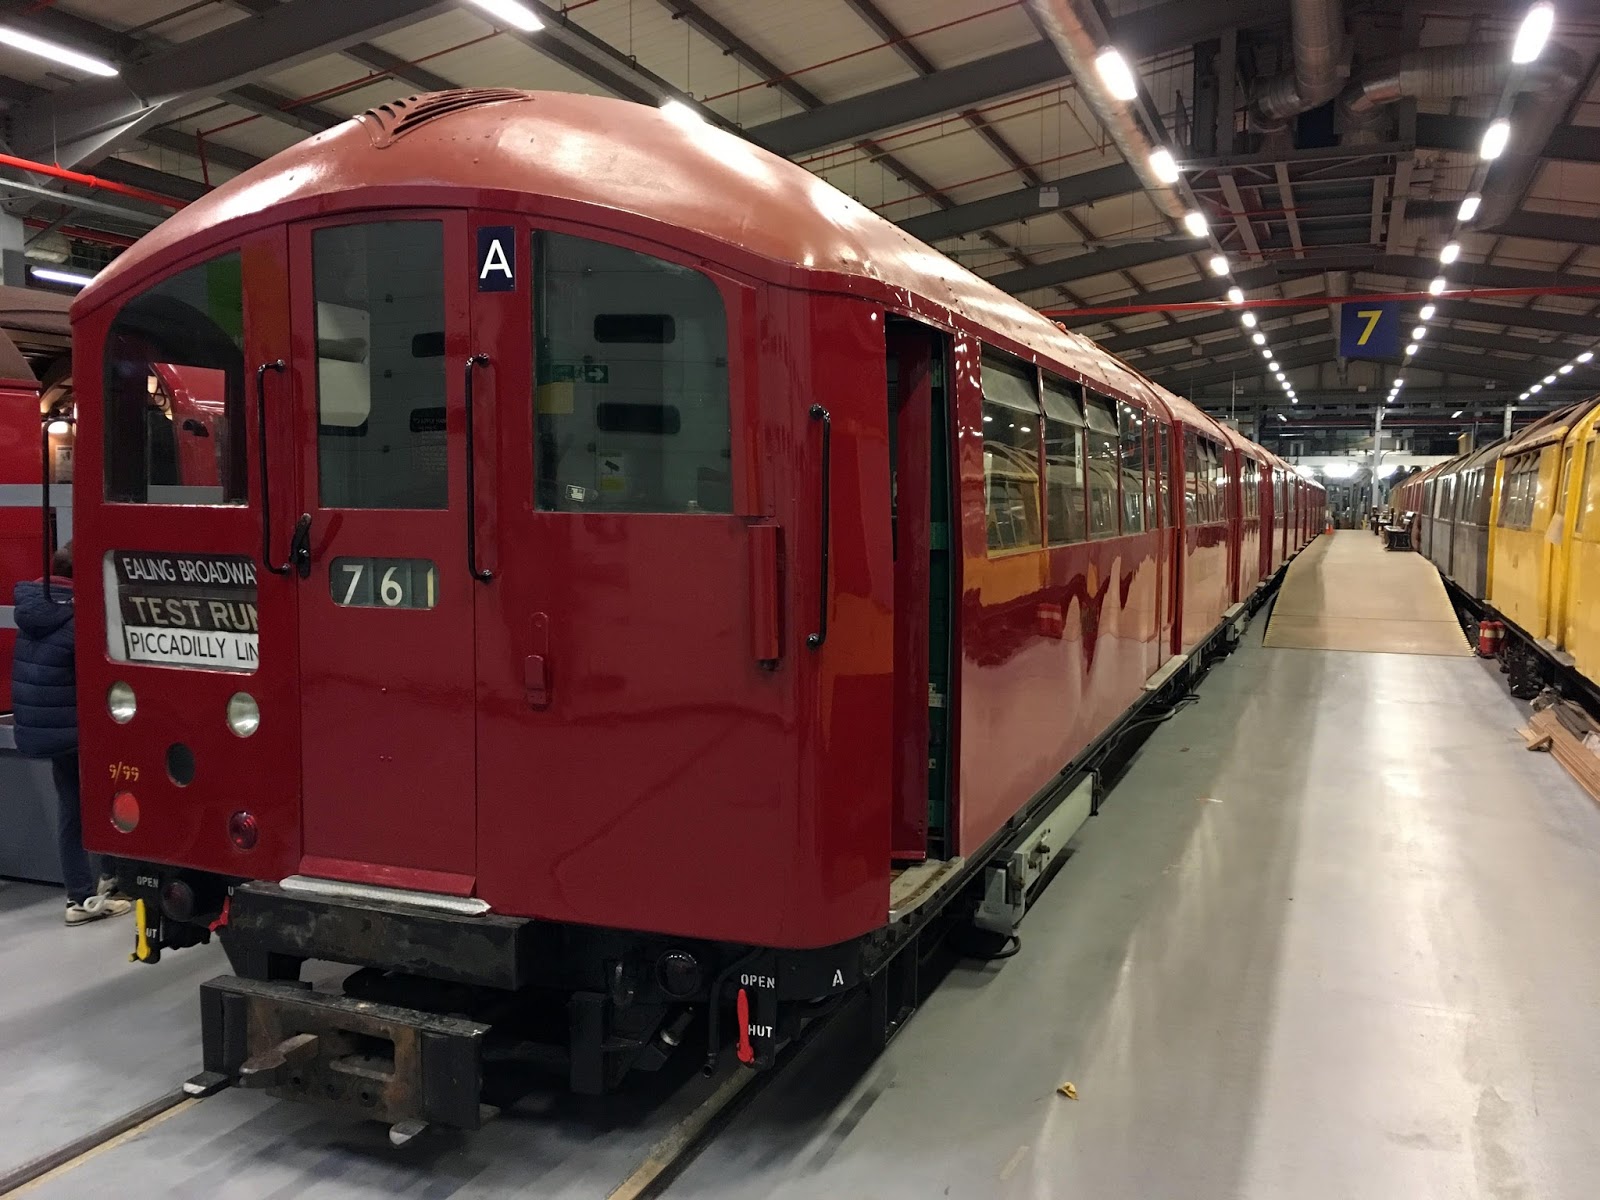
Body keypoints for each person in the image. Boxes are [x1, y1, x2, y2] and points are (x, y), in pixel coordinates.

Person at [11, 542, 131, 925]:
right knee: (104, 800)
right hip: (76, 728)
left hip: (45, 726)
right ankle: (86, 896)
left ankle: (99, 883)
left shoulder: (37, 608)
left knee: (78, 804)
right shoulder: (77, 617)